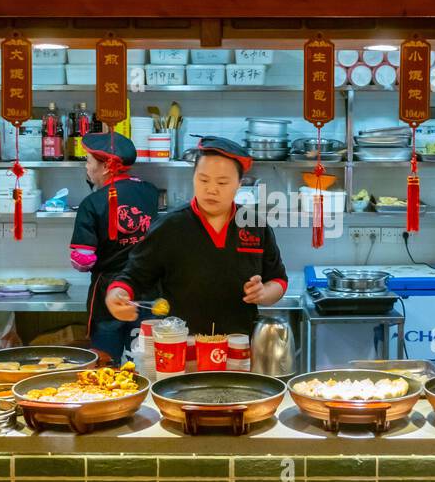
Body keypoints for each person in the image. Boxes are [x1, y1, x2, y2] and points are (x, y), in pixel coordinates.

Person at [105, 136, 287, 336]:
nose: (211, 189)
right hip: (181, 346)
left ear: (239, 184)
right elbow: (133, 277)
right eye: (203, 179)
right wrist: (117, 295)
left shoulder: (254, 224)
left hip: (239, 345)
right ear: (193, 178)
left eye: (222, 182)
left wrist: (263, 293)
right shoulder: (170, 226)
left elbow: (277, 280)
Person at [69, 132, 160, 362]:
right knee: (144, 361)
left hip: (109, 293)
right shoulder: (150, 192)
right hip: (147, 288)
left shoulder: (91, 203)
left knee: (105, 362)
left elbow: (83, 260)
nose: (86, 168)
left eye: (89, 161)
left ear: (106, 167)